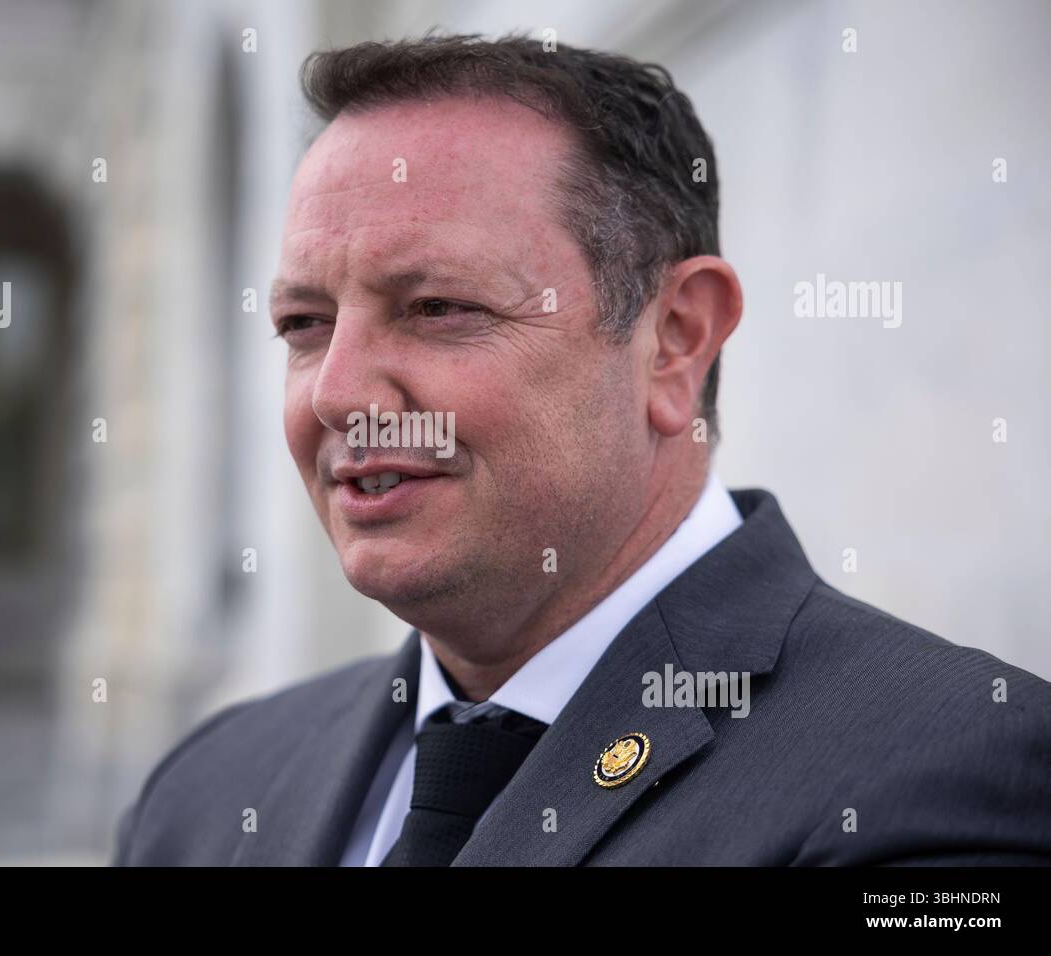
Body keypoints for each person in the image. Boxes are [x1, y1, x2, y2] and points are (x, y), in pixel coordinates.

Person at [114, 34, 1051, 866]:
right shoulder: (206, 789)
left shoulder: (946, 772)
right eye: (304, 323)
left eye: (439, 308)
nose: (338, 392)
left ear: (676, 337)